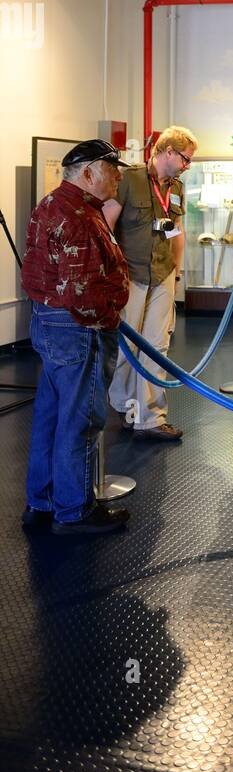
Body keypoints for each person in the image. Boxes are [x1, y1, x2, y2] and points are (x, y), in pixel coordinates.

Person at [20, 140, 132, 535]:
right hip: (79, 328)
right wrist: (108, 318)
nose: (118, 175)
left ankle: (43, 501)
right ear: (87, 172)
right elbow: (80, 293)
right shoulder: (79, 215)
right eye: (112, 168)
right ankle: (74, 511)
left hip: (49, 323)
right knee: (80, 419)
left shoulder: (53, 204)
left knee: (51, 416)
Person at [103, 125, 198, 441]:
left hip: (163, 273)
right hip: (130, 275)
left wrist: (178, 272)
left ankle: (150, 418)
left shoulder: (177, 188)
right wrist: (108, 275)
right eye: (185, 158)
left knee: (157, 346)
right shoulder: (128, 180)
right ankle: (123, 404)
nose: (187, 165)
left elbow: (176, 231)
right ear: (168, 151)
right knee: (128, 348)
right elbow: (106, 226)